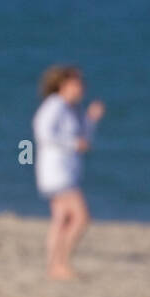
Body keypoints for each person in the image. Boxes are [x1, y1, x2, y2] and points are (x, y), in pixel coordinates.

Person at [33, 65, 104, 280]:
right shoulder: (54, 105)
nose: (81, 87)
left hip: (67, 170)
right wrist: (71, 144)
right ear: (63, 85)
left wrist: (91, 120)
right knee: (81, 217)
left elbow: (85, 139)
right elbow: (43, 133)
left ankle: (55, 266)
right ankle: (61, 263)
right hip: (56, 171)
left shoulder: (71, 108)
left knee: (61, 219)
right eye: (77, 83)